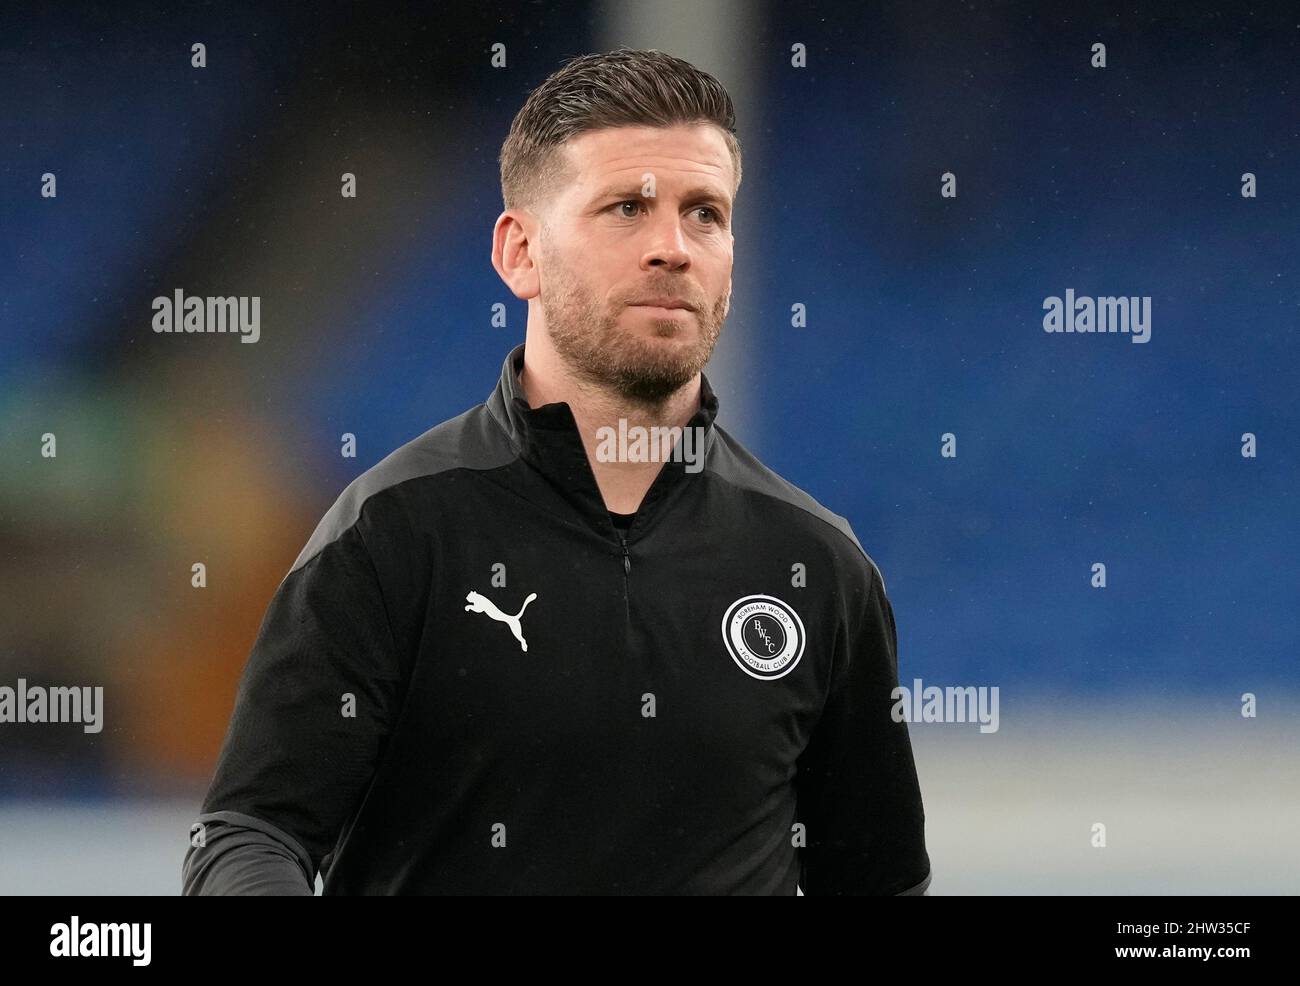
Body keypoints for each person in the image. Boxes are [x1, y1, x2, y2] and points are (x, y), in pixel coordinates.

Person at [183, 47, 931, 895]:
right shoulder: (392, 534)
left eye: (705, 214)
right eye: (625, 209)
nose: (673, 249)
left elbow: (879, 882)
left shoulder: (816, 567)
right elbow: (249, 835)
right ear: (520, 252)